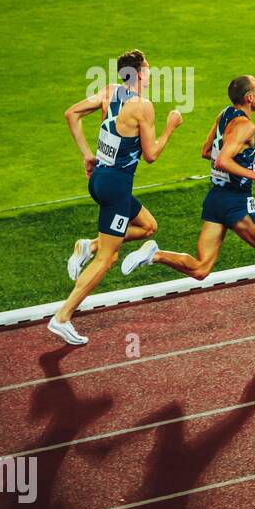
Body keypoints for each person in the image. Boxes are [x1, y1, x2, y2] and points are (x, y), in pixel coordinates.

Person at [123, 75, 255, 328]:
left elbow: (207, 152)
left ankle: (155, 254)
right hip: (236, 202)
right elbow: (223, 160)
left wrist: (248, 161)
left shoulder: (224, 115)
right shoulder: (247, 127)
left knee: (201, 269)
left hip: (215, 199)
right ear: (250, 98)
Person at [48, 49, 183, 345]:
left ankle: (87, 246)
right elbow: (151, 155)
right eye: (147, 69)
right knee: (108, 258)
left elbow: (71, 114)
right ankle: (62, 317)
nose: (150, 74)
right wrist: (171, 127)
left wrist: (86, 154)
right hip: (116, 187)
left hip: (98, 180)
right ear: (137, 73)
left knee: (148, 227)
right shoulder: (143, 107)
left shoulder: (110, 91)